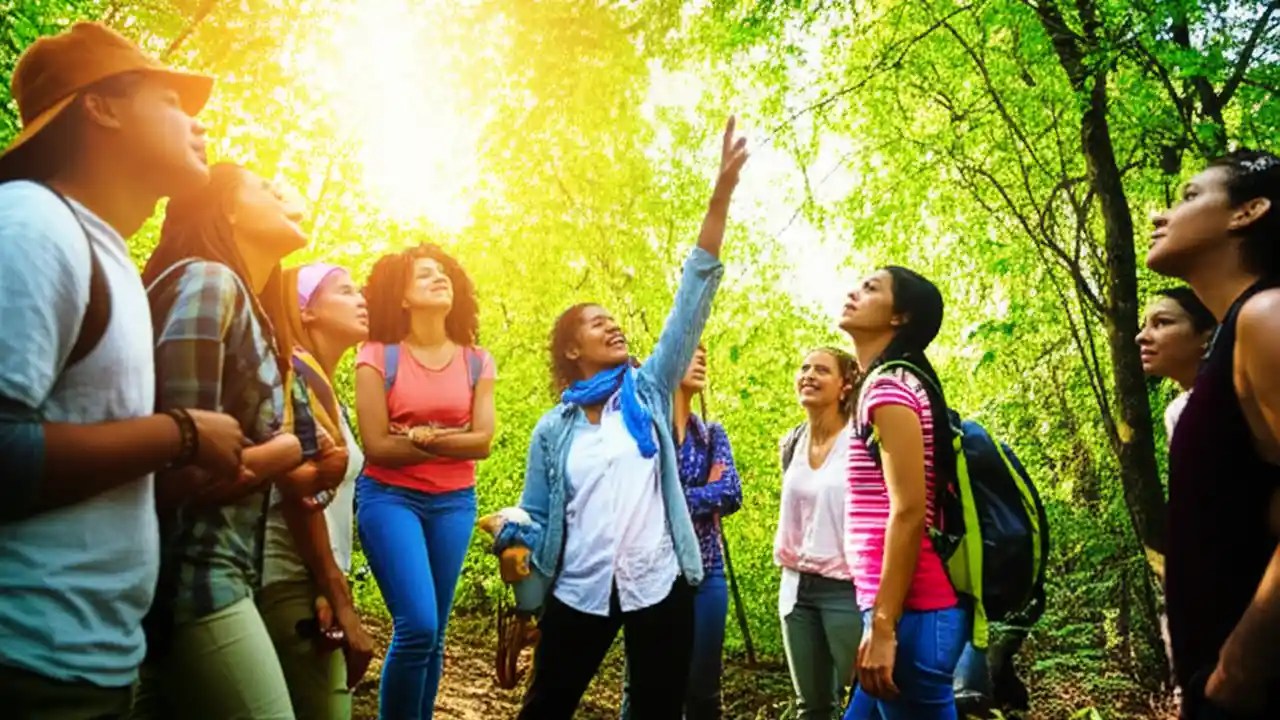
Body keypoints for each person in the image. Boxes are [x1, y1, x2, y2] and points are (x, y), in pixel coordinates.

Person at [0, 22, 247, 717]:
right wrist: (180, 435)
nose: (196, 123)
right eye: (170, 102)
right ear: (100, 107)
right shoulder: (32, 226)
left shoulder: (104, 255)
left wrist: (171, 472)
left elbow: (72, 455)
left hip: (96, 667)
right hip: (27, 672)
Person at [495, 116, 748, 720]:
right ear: (571, 350)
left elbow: (695, 294)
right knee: (546, 706)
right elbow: (533, 511)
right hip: (579, 589)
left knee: (659, 710)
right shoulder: (554, 431)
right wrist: (512, 542)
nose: (612, 325)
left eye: (614, 319)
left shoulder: (649, 392)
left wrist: (719, 199)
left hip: (658, 582)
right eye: (594, 321)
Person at [133, 163, 342, 719]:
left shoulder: (254, 313)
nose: (284, 196)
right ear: (226, 208)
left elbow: (311, 453)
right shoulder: (208, 282)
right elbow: (172, 472)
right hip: (194, 583)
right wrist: (284, 453)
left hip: (225, 578)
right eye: (265, 189)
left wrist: (308, 457)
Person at [1147, 149, 1280, 719]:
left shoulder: (1267, 315)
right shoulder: (1231, 340)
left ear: (1247, 212)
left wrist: (1237, 669)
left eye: (1190, 195)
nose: (1161, 215)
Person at [353, 244, 497, 720]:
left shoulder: (477, 361)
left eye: (444, 274)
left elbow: (482, 443)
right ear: (403, 298)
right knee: (417, 624)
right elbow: (377, 445)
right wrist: (450, 437)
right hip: (390, 497)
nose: (440, 280)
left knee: (434, 635)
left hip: (455, 502)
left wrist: (421, 436)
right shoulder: (377, 356)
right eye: (425, 276)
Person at [840, 267, 966, 720]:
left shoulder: (889, 387)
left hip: (911, 617)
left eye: (871, 288)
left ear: (900, 317)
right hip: (899, 613)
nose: (854, 291)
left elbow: (909, 511)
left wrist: (883, 625)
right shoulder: (886, 382)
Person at [259, 263, 377, 719]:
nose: (361, 298)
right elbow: (298, 497)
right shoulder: (299, 375)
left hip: (306, 577)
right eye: (345, 291)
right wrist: (339, 601)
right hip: (291, 577)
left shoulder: (322, 386)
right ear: (305, 312)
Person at [621, 345, 744, 719]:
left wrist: (674, 495)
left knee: (703, 690)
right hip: (650, 574)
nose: (702, 357)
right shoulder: (642, 430)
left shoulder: (710, 434)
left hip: (707, 573)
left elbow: (731, 492)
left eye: (707, 352)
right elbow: (644, 497)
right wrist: (702, 492)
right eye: (691, 349)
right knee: (644, 686)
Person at [774, 347, 862, 720]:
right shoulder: (792, 442)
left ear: (845, 384)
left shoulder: (861, 440)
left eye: (822, 370)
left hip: (847, 589)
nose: (808, 375)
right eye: (804, 367)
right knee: (812, 708)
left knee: (868, 699)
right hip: (796, 588)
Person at [1137, 287, 1216, 438]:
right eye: (1144, 326)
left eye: (1161, 323)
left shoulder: (1244, 398)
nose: (1141, 337)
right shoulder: (1177, 412)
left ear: (1207, 336)